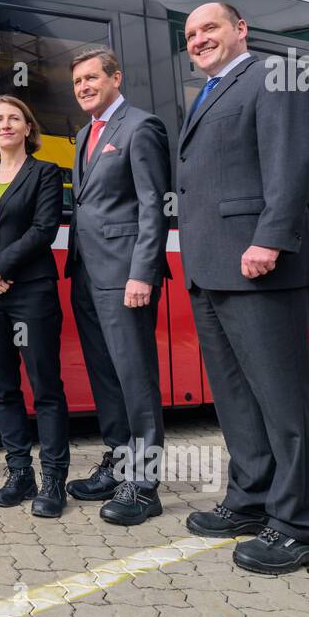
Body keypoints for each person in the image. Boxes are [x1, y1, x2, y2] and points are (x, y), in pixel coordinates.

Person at [178, 2, 309, 574]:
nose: (199, 39)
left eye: (209, 27)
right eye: (190, 34)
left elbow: (291, 162)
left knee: (281, 402)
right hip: (212, 270)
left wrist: (270, 239)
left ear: (241, 29)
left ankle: (298, 528)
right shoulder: (211, 92)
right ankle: (251, 499)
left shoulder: (272, 74)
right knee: (236, 399)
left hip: (259, 266)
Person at [63, 48, 172, 525]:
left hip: (125, 274)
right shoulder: (85, 134)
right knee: (106, 375)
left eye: (92, 78)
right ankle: (117, 460)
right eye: (78, 82)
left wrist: (142, 273)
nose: (84, 87)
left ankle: (144, 486)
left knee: (135, 377)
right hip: (87, 273)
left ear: (115, 78)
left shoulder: (140, 126)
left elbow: (154, 206)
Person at [0, 95, 71, 517]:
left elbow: (44, 229)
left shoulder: (45, 173)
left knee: (45, 388)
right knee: (4, 389)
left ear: (28, 128)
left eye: (13, 118)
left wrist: (1, 267)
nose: (5, 124)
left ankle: (54, 480)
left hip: (32, 292)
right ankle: (19, 472)